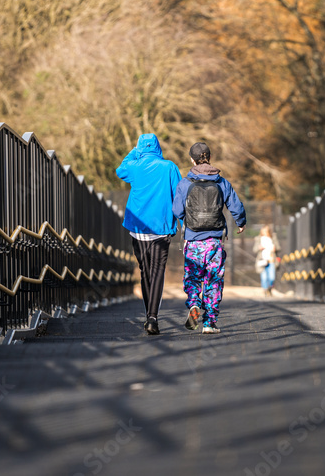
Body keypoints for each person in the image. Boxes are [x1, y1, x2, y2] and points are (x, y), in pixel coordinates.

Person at [172, 141, 246, 334]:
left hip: (193, 241)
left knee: (193, 277)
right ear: (210, 158)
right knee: (213, 280)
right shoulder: (221, 182)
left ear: (192, 159)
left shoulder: (184, 183)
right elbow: (235, 205)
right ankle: (209, 323)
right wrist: (241, 222)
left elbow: (177, 210)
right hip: (214, 241)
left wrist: (189, 219)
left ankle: (194, 303)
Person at [116, 133, 182, 336]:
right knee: (157, 272)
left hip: (137, 228)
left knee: (144, 271)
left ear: (140, 148)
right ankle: (152, 317)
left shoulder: (134, 167)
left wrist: (135, 152)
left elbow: (120, 170)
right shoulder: (169, 167)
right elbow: (179, 195)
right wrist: (183, 222)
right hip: (161, 228)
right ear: (158, 147)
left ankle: (148, 315)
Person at [255, 225, 280, 297]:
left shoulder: (273, 238)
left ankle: (270, 288)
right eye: (263, 232)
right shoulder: (259, 239)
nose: (265, 233)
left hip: (271, 260)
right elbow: (255, 249)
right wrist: (259, 247)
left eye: (266, 231)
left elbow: (278, 247)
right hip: (262, 261)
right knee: (264, 277)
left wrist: (275, 248)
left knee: (272, 277)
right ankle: (265, 290)